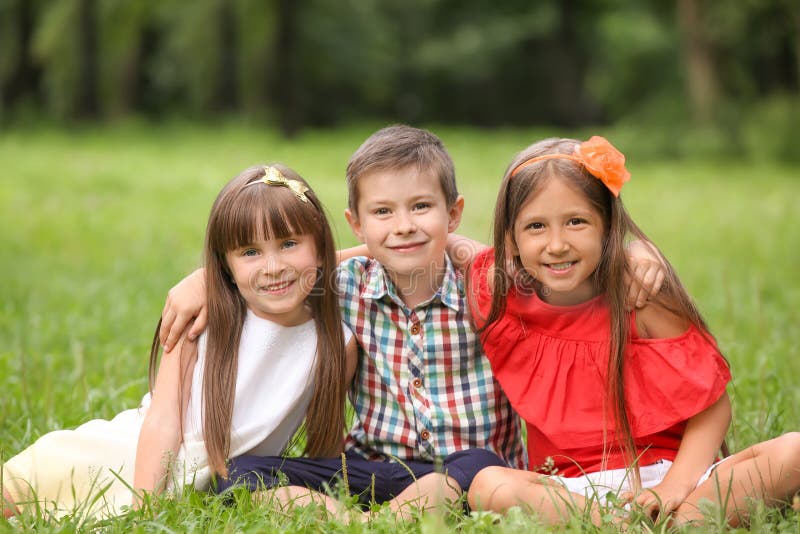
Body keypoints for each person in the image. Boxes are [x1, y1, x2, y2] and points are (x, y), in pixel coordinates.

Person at [159, 125, 666, 515]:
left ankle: (385, 516)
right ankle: (369, 518)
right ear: (356, 223)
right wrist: (207, 276)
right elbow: (280, 271)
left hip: (474, 470)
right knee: (243, 474)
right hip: (374, 472)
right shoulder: (344, 287)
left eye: (421, 207)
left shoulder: (492, 286)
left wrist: (637, 250)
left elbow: (564, 264)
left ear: (453, 213)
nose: (403, 227)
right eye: (382, 213)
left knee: (477, 466)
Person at [463, 136, 800, 526]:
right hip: (571, 492)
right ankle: (616, 524)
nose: (556, 244)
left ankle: (676, 521)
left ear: (608, 226)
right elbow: (442, 247)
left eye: (576, 221)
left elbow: (712, 407)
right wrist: (373, 248)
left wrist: (672, 489)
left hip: (674, 477)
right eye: (536, 226)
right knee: (489, 485)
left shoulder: (641, 294)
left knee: (792, 451)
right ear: (511, 239)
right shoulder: (499, 291)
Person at [2, 164, 352, 519]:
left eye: (288, 244)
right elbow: (163, 420)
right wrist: (144, 510)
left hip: (214, 485)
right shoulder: (203, 321)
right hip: (121, 457)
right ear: (225, 265)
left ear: (320, 246)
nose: (273, 266)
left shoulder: (336, 337)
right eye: (250, 252)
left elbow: (384, 254)